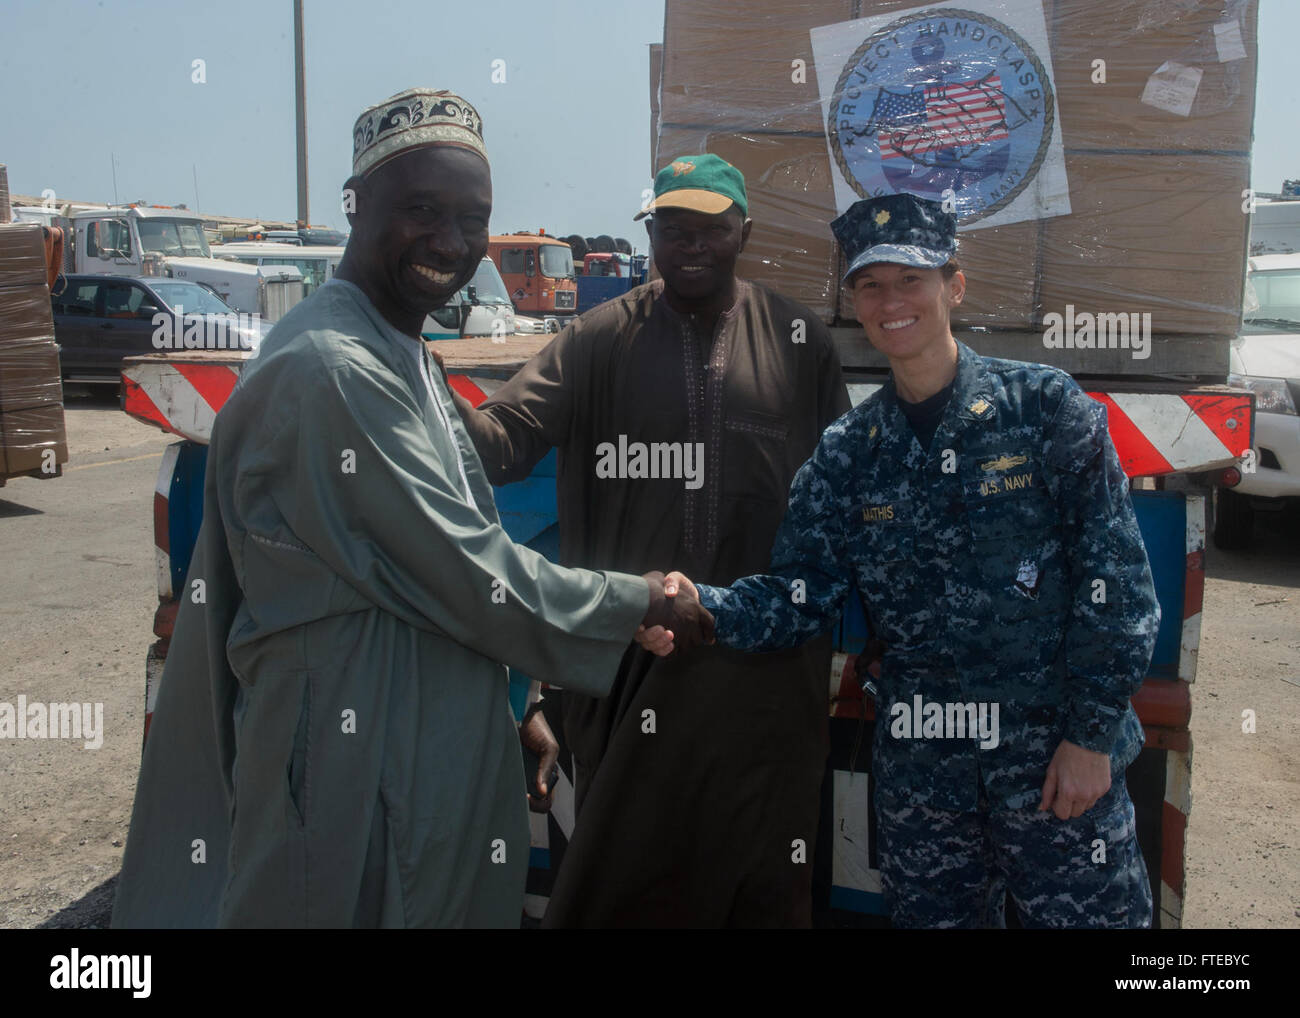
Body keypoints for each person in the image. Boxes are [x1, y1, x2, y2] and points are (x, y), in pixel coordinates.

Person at [110, 88, 712, 930]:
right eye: (421, 210)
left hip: (417, 745)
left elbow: (441, 557)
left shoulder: (401, 348)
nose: (452, 240)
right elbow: (464, 570)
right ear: (356, 207)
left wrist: (515, 704)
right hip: (351, 764)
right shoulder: (333, 369)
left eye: (473, 217)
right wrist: (639, 600)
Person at [648, 193, 1159, 928]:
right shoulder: (849, 453)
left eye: (910, 280)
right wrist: (700, 603)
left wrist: (1091, 737)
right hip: (928, 780)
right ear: (854, 303)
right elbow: (802, 594)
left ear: (953, 285)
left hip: (1053, 763)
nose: (891, 302)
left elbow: (1117, 585)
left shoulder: (1044, 410)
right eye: (870, 285)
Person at [448, 154, 850, 926]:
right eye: (672, 228)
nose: (690, 245)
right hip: (636, 668)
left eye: (711, 228)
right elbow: (500, 445)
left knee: (763, 891)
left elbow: (837, 509)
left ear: (745, 232)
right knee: (627, 891)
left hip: (764, 681)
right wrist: (407, 372)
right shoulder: (599, 339)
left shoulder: (800, 343)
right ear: (651, 233)